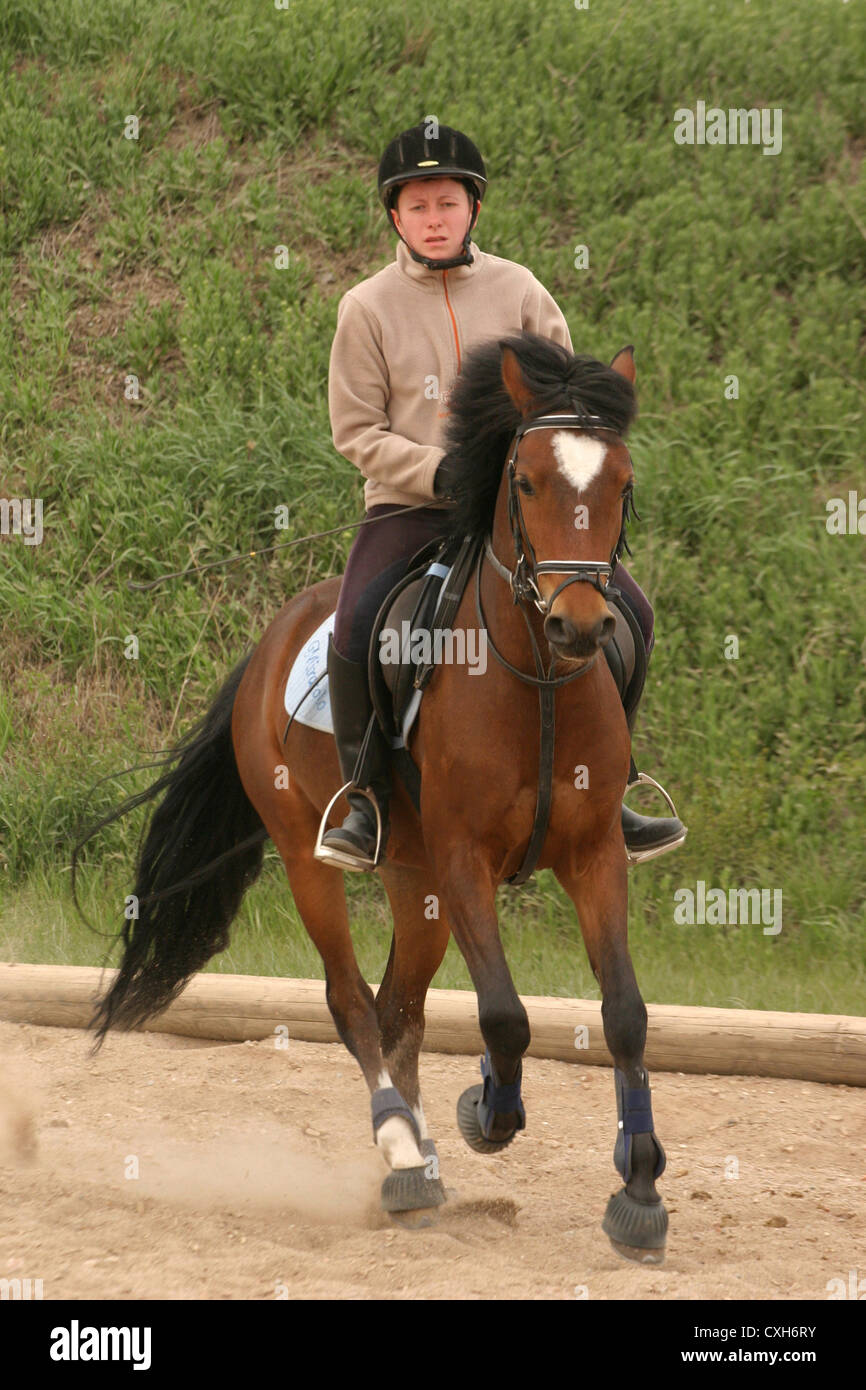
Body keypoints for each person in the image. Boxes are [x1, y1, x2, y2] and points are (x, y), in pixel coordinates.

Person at [314, 120, 684, 871]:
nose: (434, 218)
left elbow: (573, 408)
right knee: (356, 624)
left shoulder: (521, 291)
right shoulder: (365, 307)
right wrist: (435, 472)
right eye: (418, 207)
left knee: (632, 612)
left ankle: (614, 788)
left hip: (522, 512)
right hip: (411, 506)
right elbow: (354, 429)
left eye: (447, 202)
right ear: (395, 216)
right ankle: (365, 798)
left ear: (473, 208)